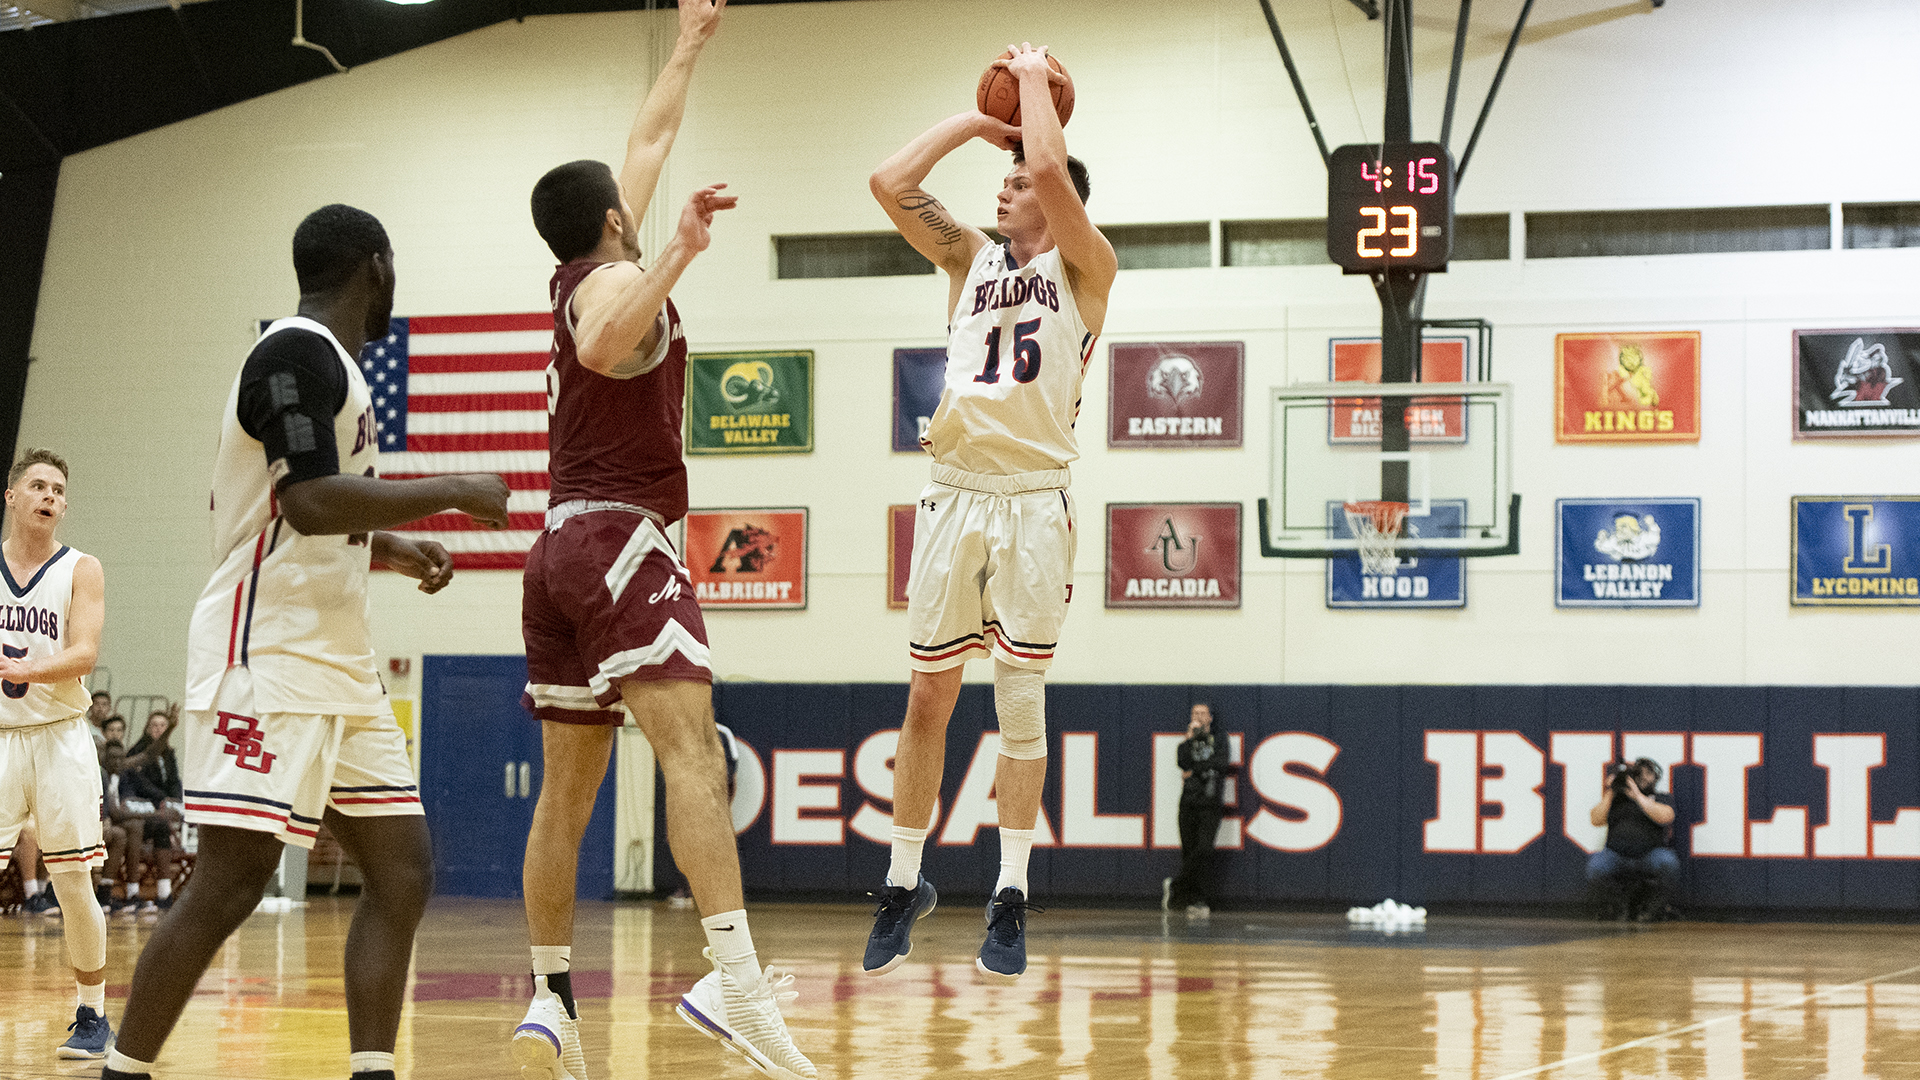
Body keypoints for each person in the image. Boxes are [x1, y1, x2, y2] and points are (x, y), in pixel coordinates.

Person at [101, 203, 510, 1080]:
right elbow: (307, 500)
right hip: (265, 656)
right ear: (377, 265)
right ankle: (121, 1070)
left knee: (401, 870)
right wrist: (455, 488)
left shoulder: (337, 370)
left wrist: (389, 547)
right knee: (231, 882)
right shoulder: (292, 353)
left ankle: (372, 1071)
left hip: (337, 660)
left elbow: (314, 515)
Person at [513, 4, 812, 1079]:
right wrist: (681, 250)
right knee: (691, 751)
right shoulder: (607, 285)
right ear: (613, 219)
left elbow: (646, 140)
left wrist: (689, 41)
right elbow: (604, 338)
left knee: (568, 789)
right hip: (618, 539)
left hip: (554, 552)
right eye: (632, 206)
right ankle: (732, 987)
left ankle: (550, 990)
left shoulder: (581, 259)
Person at [861, 41, 1117, 983]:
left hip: (1033, 502)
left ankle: (1009, 892)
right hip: (955, 495)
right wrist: (982, 118)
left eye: (1012, 182)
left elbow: (1050, 165)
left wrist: (1040, 85)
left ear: (1055, 204)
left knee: (1018, 698)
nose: (1002, 189)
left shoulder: (1088, 268)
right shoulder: (970, 262)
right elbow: (889, 182)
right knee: (929, 694)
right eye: (1000, 179)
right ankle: (904, 878)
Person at [0, 448, 113, 1057]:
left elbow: (85, 653)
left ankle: (92, 1015)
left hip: (61, 735)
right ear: (12, 496)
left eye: (60, 490)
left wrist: (28, 668)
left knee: (72, 880)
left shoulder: (82, 569)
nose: (51, 497)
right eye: (39, 486)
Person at [1587, 757, 1679, 921]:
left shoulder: (1661, 797)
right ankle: (1619, 905)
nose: (1644, 778)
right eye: (1641, 774)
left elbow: (1666, 817)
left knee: (1668, 862)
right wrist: (1610, 791)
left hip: (1649, 854)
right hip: (1616, 853)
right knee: (1596, 866)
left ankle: (1653, 908)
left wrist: (1637, 796)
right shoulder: (1617, 799)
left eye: (1649, 774)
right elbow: (1596, 820)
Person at [1165, 703, 1232, 919]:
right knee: (1189, 849)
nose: (1199, 717)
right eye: (1195, 713)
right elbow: (1182, 761)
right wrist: (1189, 738)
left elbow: (1220, 763)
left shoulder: (1219, 739)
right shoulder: (1188, 741)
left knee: (1204, 849)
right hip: (1188, 801)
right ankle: (1192, 899)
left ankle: (1177, 885)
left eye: (1203, 713)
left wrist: (1195, 769)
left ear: (1210, 718)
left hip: (1210, 802)